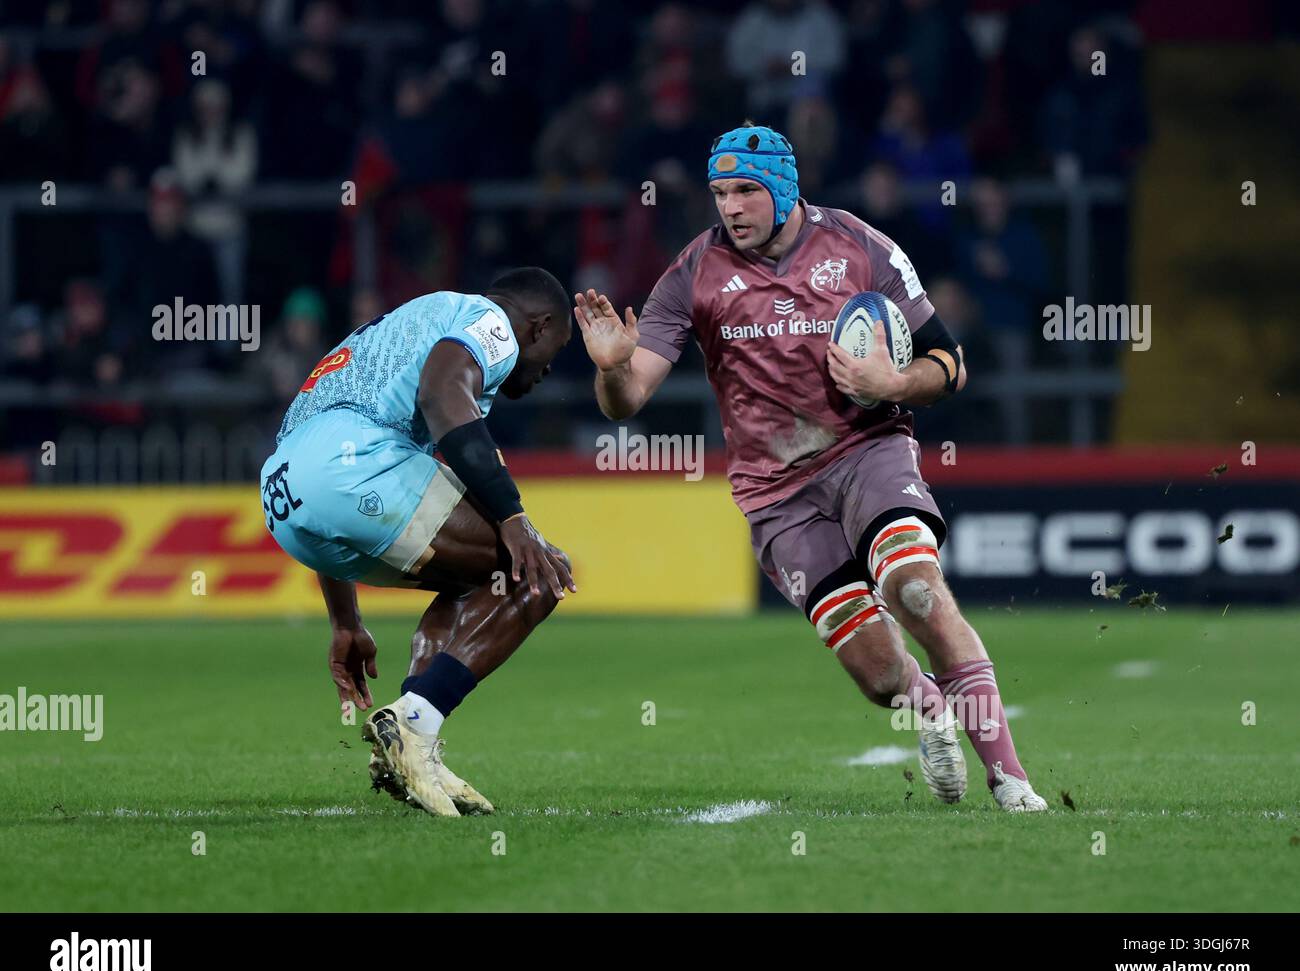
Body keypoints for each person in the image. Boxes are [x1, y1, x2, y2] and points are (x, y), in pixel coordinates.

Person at [575, 125, 1047, 812]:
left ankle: (1011, 780)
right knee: (879, 674)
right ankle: (930, 710)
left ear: (784, 187)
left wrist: (890, 383)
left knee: (914, 587)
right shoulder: (694, 273)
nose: (729, 207)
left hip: (867, 449)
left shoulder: (860, 246)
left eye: (745, 190)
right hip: (776, 495)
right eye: (718, 193)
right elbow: (629, 400)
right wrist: (613, 370)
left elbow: (950, 364)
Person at [259, 268, 576, 818]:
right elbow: (441, 391)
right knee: (539, 571)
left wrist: (345, 623)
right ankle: (415, 723)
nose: (549, 367)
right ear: (538, 325)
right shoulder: (492, 324)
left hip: (282, 493)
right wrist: (513, 518)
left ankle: (411, 744)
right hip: (351, 463)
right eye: (556, 347)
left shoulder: (409, 326)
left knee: (474, 579)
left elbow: (320, 471)